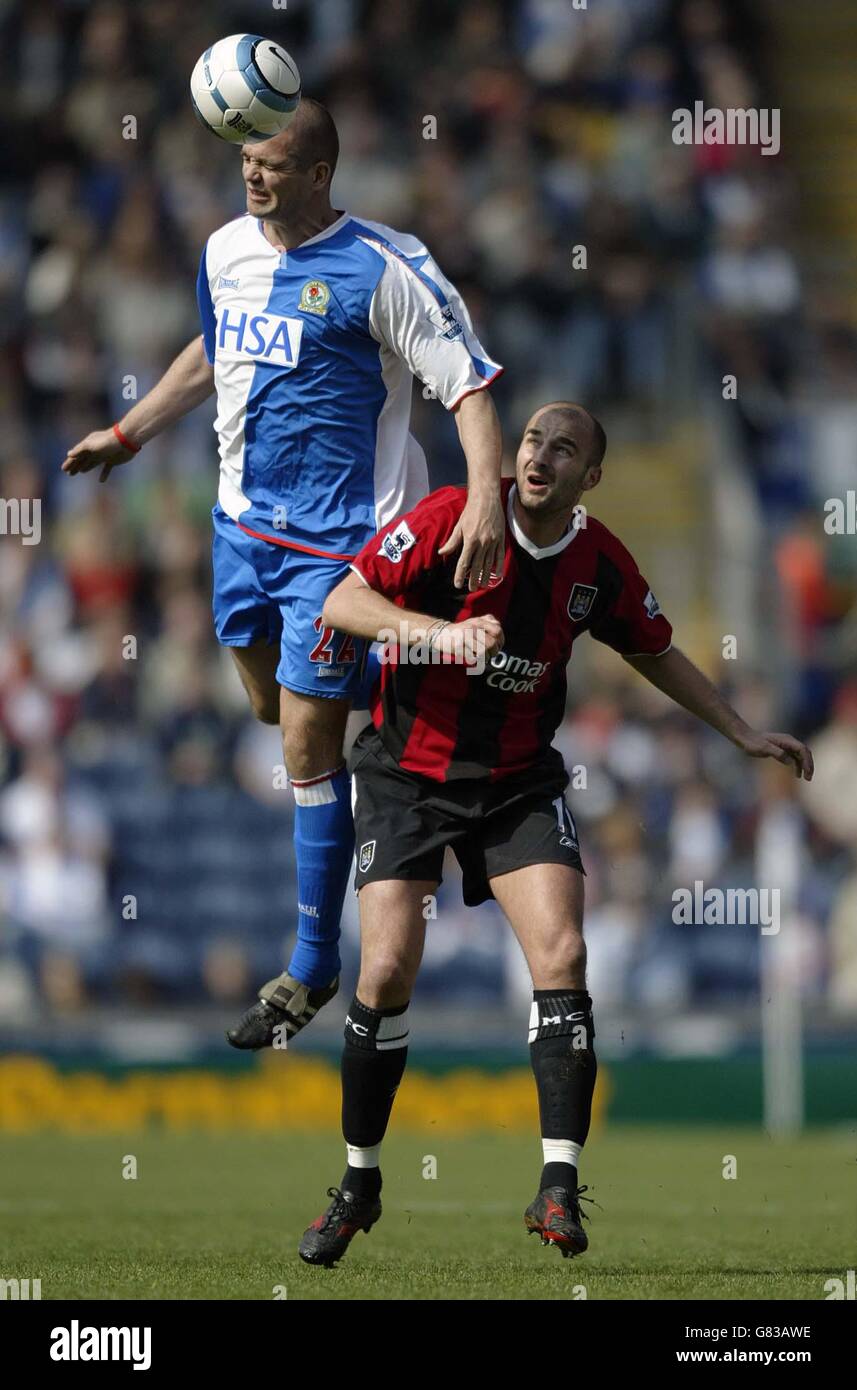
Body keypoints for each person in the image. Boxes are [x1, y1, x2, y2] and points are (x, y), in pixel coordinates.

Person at [296, 400, 814, 1266]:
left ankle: (558, 1188)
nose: (539, 455)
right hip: (404, 773)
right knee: (383, 969)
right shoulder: (453, 516)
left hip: (516, 780)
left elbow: (653, 649)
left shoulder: (596, 560)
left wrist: (740, 732)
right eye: (533, 439)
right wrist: (440, 635)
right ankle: (358, 1185)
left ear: (590, 477)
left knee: (564, 954)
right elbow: (343, 601)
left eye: (563, 449)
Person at [61, 98, 505, 1047]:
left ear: (319, 174)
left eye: (269, 163)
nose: (251, 175)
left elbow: (467, 385)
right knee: (268, 706)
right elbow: (215, 351)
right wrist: (129, 433)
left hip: (340, 548)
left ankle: (311, 963)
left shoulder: (385, 267)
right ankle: (396, 680)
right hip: (240, 531)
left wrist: (483, 500)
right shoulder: (225, 251)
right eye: (245, 161)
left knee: (306, 745)